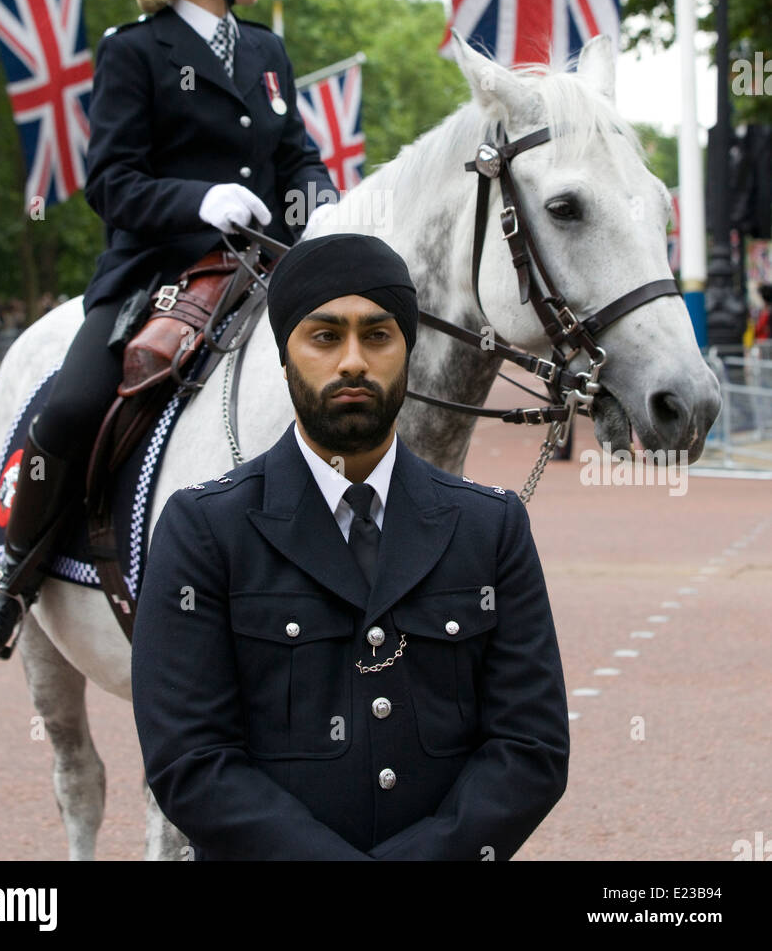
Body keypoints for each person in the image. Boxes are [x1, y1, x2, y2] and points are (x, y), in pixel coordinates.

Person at [0, 0, 337, 663]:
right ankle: (10, 578)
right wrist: (201, 201)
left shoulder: (266, 50)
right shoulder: (134, 53)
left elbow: (298, 154)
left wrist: (320, 198)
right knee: (68, 408)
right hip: (155, 274)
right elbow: (112, 182)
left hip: (263, 269)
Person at [131, 233, 569, 861]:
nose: (354, 361)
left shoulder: (490, 528)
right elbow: (189, 760)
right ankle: (16, 567)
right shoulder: (204, 529)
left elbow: (531, 749)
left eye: (379, 335)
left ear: (409, 355)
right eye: (326, 336)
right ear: (285, 358)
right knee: (71, 412)